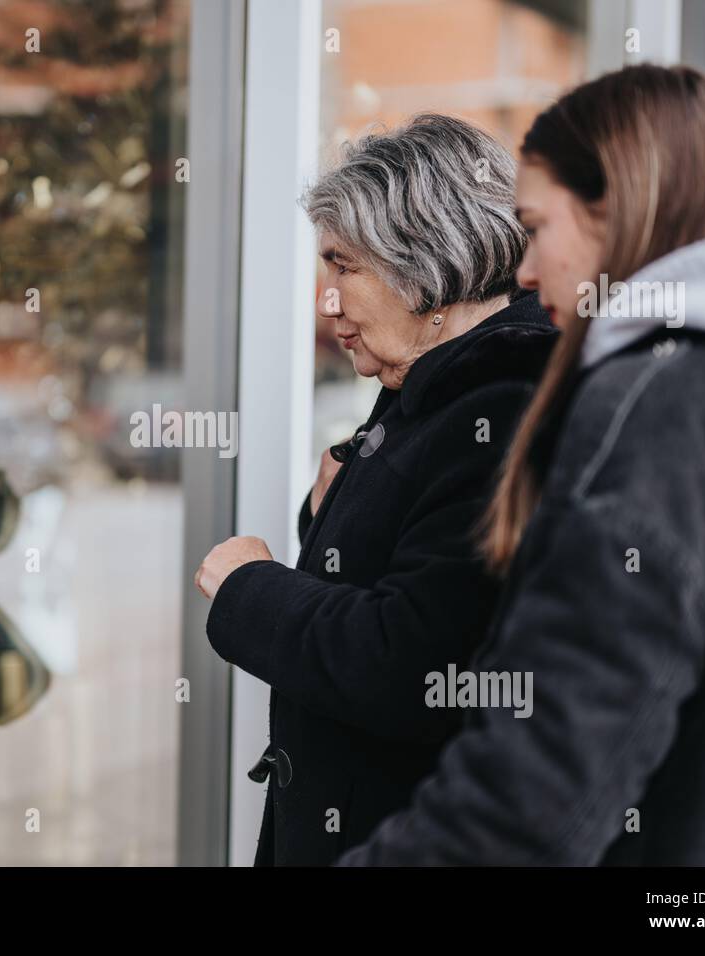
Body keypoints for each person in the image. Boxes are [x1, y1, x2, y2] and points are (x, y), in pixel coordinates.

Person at [340, 65, 705, 866]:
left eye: (536, 228)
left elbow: (537, 787)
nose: (525, 273)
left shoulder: (660, 402)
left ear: (621, 208)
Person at [194, 114, 558, 865]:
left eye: (343, 267)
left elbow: (417, 665)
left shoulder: (499, 404)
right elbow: (383, 560)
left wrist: (249, 590)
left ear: (422, 259)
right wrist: (326, 508)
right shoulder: (432, 377)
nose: (327, 302)